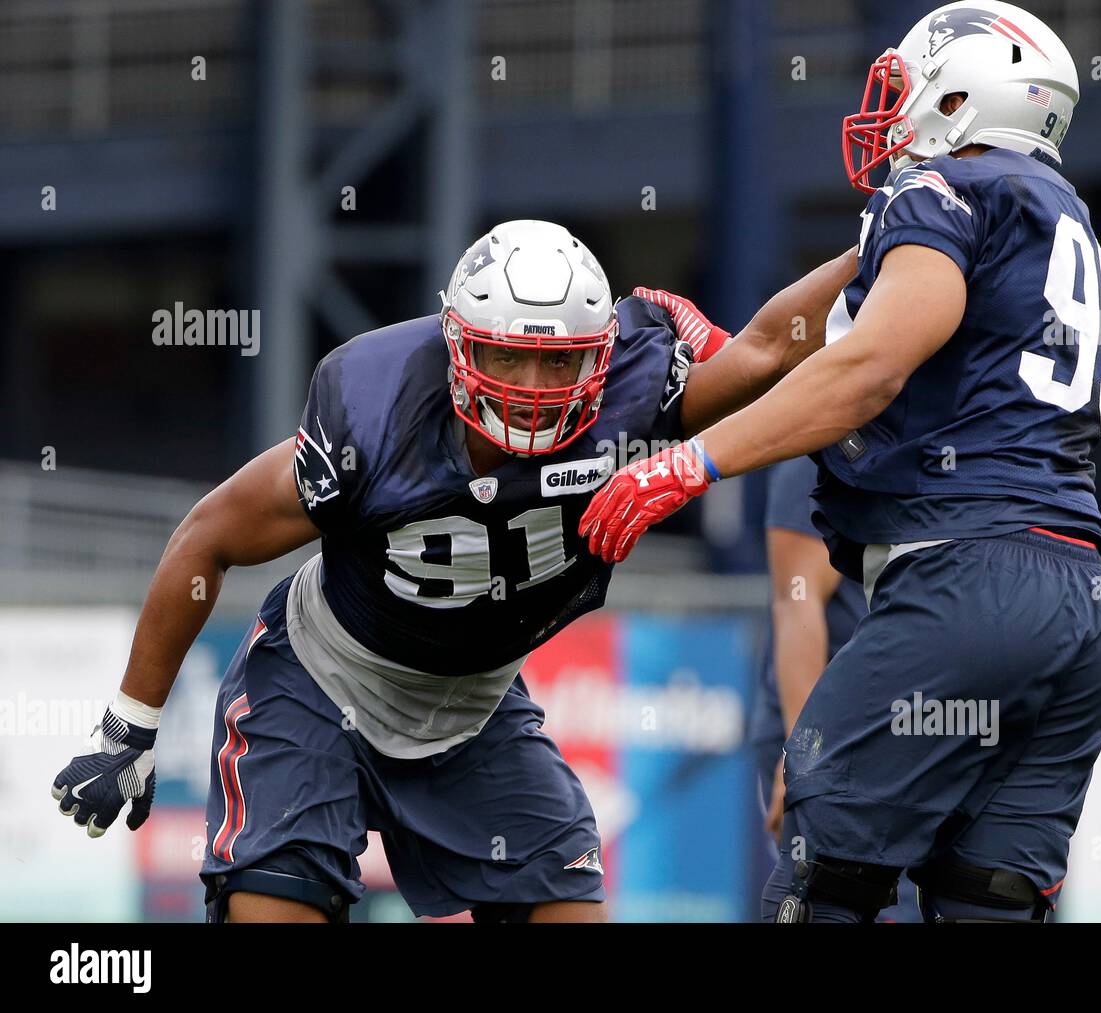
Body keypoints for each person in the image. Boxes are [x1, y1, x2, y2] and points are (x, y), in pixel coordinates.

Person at [52, 219, 854, 923]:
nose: (532, 390)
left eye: (559, 363)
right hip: (322, 683)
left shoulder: (633, 400)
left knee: (566, 907)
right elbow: (207, 537)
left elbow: (767, 345)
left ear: (602, 358)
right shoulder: (376, 415)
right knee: (275, 901)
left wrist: (883, 237)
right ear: (457, 345)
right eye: (507, 356)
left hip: (473, 707)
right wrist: (131, 725)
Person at [580, 3, 1101, 922]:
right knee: (988, 900)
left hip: (966, 577)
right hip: (1085, 602)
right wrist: (721, 356)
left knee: (823, 878)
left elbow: (871, 364)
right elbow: (785, 338)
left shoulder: (939, 193)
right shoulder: (1048, 208)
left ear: (959, 97)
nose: (887, 111)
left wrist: (687, 464)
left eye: (907, 87)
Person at [751, 456, 920, 922]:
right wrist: (802, 756)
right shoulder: (823, 453)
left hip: (896, 728)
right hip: (833, 733)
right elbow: (797, 603)